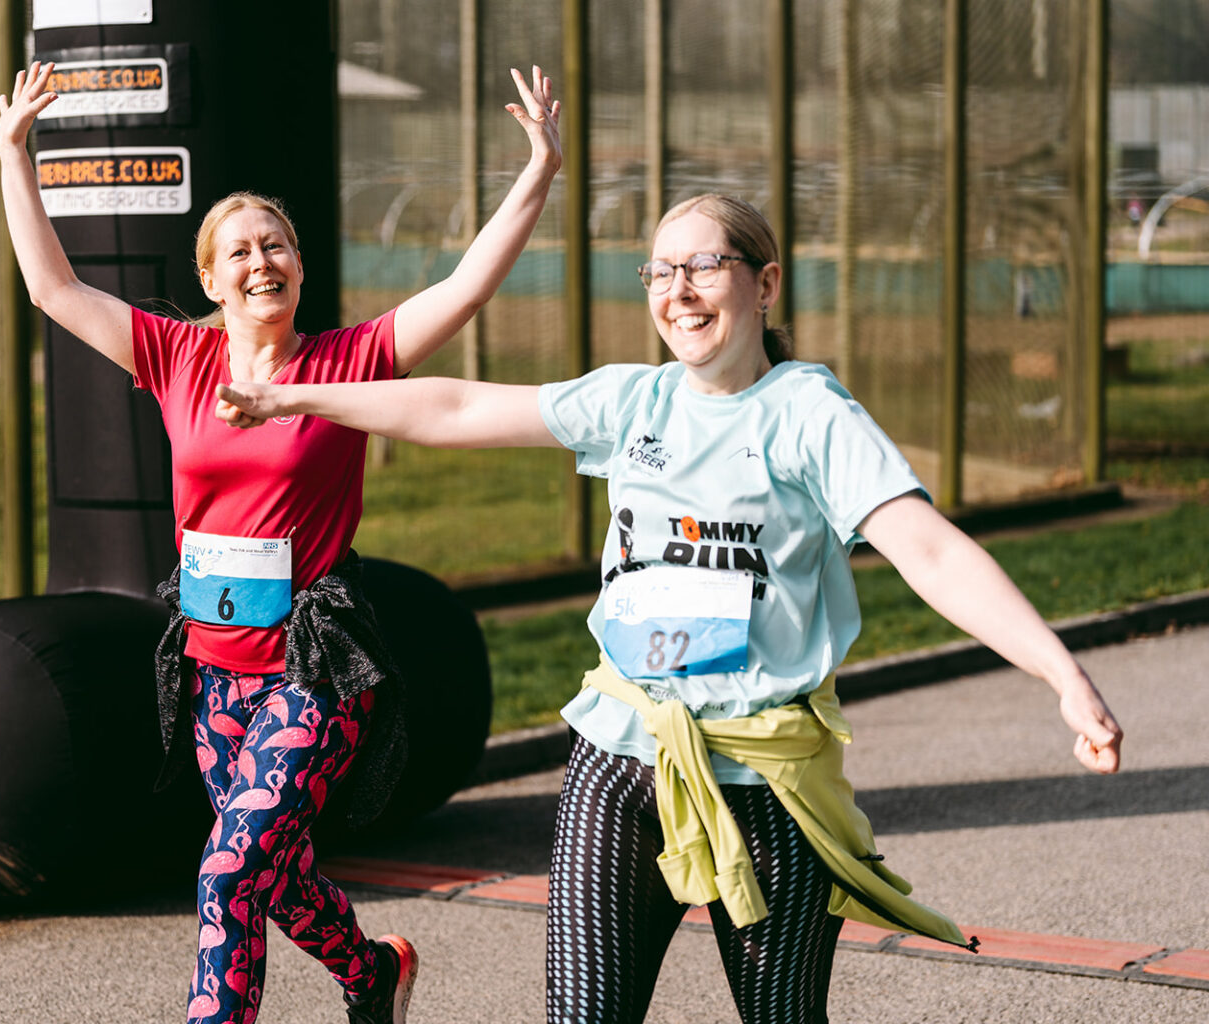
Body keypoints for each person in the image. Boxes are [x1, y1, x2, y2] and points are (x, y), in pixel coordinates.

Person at [214, 193, 1124, 1023]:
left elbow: (929, 549)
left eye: (703, 267)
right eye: (660, 270)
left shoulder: (809, 414)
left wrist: (1062, 673)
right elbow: (452, 405)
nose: (677, 291)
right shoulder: (632, 401)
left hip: (764, 777)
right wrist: (291, 396)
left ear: (764, 283)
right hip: (620, 755)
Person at [0, 60, 563, 1024]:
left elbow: (464, 290)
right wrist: (15, 152)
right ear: (211, 279)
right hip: (215, 666)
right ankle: (374, 973)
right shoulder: (176, 357)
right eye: (242, 251)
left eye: (279, 245)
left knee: (227, 870)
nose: (264, 261)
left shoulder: (350, 364)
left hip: (316, 665)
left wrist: (540, 167)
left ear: (299, 265)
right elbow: (53, 289)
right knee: (275, 873)